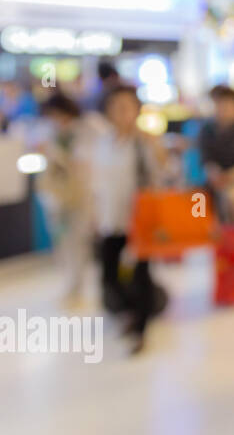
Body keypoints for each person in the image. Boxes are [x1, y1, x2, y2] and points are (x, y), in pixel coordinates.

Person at [89, 84, 166, 354]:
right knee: (109, 275)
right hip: (110, 219)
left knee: (141, 275)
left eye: (127, 107)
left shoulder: (143, 143)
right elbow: (98, 182)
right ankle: (130, 314)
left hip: (139, 221)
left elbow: (160, 176)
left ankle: (141, 329)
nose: (121, 113)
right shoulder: (103, 141)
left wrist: (157, 148)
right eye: (116, 107)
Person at [37, 93, 94, 302]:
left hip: (80, 194)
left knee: (78, 241)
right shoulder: (52, 134)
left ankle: (77, 287)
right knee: (62, 241)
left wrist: (58, 155)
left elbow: (83, 162)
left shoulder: (84, 131)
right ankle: (70, 285)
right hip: (57, 196)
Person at [199, 85, 234, 221]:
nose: (224, 109)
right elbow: (206, 159)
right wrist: (214, 173)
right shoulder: (207, 129)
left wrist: (231, 176)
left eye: (228, 105)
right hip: (212, 186)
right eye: (221, 104)